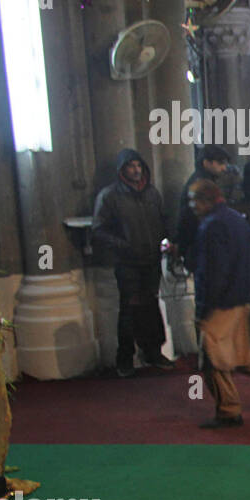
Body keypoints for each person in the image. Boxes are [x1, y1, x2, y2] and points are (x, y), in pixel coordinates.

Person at [187, 180, 250, 427]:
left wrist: (204, 308)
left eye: (194, 200)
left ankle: (228, 411)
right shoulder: (236, 218)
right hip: (242, 298)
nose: (192, 206)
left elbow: (215, 272)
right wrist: (245, 281)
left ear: (206, 200)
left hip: (220, 302)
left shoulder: (211, 226)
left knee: (212, 359)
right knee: (240, 353)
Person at [92, 148, 177, 377]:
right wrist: (123, 245)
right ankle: (125, 358)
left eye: (139, 165)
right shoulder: (110, 196)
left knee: (151, 305)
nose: (136, 170)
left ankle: (153, 351)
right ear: (122, 170)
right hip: (127, 262)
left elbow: (163, 220)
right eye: (131, 166)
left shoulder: (152, 194)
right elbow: (99, 229)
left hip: (151, 260)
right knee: (129, 310)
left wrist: (168, 241)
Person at [176, 144, 231, 269]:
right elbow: (188, 219)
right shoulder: (201, 186)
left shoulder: (206, 181)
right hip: (201, 247)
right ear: (207, 163)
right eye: (220, 163)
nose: (224, 168)